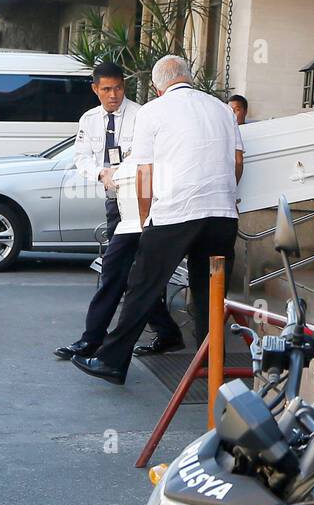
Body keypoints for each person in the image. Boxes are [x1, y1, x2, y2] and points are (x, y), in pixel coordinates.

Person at [72, 55, 243, 384]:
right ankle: (211, 366)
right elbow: (237, 160)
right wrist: (228, 195)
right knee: (211, 293)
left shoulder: (152, 111)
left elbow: (144, 172)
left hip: (175, 213)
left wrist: (147, 215)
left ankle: (111, 361)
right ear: (189, 77)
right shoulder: (222, 109)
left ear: (157, 86)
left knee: (143, 286)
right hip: (221, 214)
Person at [54, 61, 183, 361]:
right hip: (116, 202)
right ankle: (166, 332)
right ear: (95, 89)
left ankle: (92, 340)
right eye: (107, 89)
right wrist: (102, 174)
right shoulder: (89, 120)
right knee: (129, 274)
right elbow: (82, 157)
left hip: (145, 201)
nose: (114, 95)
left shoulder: (142, 115)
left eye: (119, 88)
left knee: (119, 271)